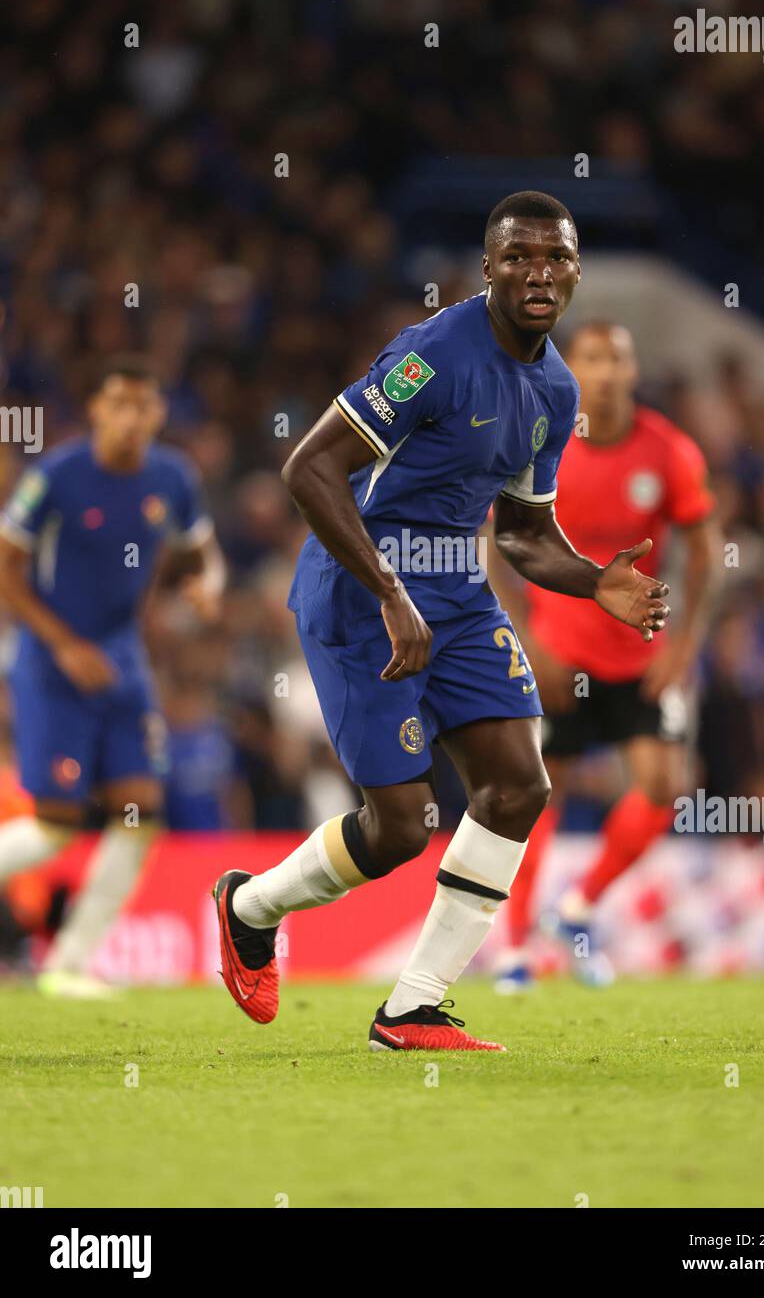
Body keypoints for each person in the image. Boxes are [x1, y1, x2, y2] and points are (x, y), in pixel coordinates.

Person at [213, 192, 670, 1051]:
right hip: (360, 592)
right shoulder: (431, 355)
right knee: (399, 830)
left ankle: (413, 1006)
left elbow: (527, 536)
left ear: (574, 271)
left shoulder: (555, 388)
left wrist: (591, 580)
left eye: (557, 259)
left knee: (519, 785)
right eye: (520, 257)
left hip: (456, 591)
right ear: (489, 266)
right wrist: (390, 592)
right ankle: (247, 907)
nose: (540, 273)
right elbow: (308, 468)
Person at [493, 322, 717, 992]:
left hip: (641, 653)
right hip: (560, 656)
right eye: (591, 358)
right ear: (573, 368)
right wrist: (528, 639)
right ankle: (515, 948)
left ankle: (578, 906)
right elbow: (497, 545)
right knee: (533, 798)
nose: (605, 371)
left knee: (660, 789)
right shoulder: (542, 441)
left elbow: (705, 549)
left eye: (616, 358)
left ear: (632, 368)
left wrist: (685, 643)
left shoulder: (668, 452)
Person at [0, 357, 224, 997]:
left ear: (158, 413)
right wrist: (65, 646)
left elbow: (201, 556)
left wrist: (205, 588)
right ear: (98, 409)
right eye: (120, 404)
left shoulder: (172, 478)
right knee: (55, 820)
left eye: (145, 406)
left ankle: (69, 964)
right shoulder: (57, 477)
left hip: (123, 662)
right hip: (50, 663)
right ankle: (64, 960)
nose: (133, 418)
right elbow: (6, 568)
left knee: (141, 812)